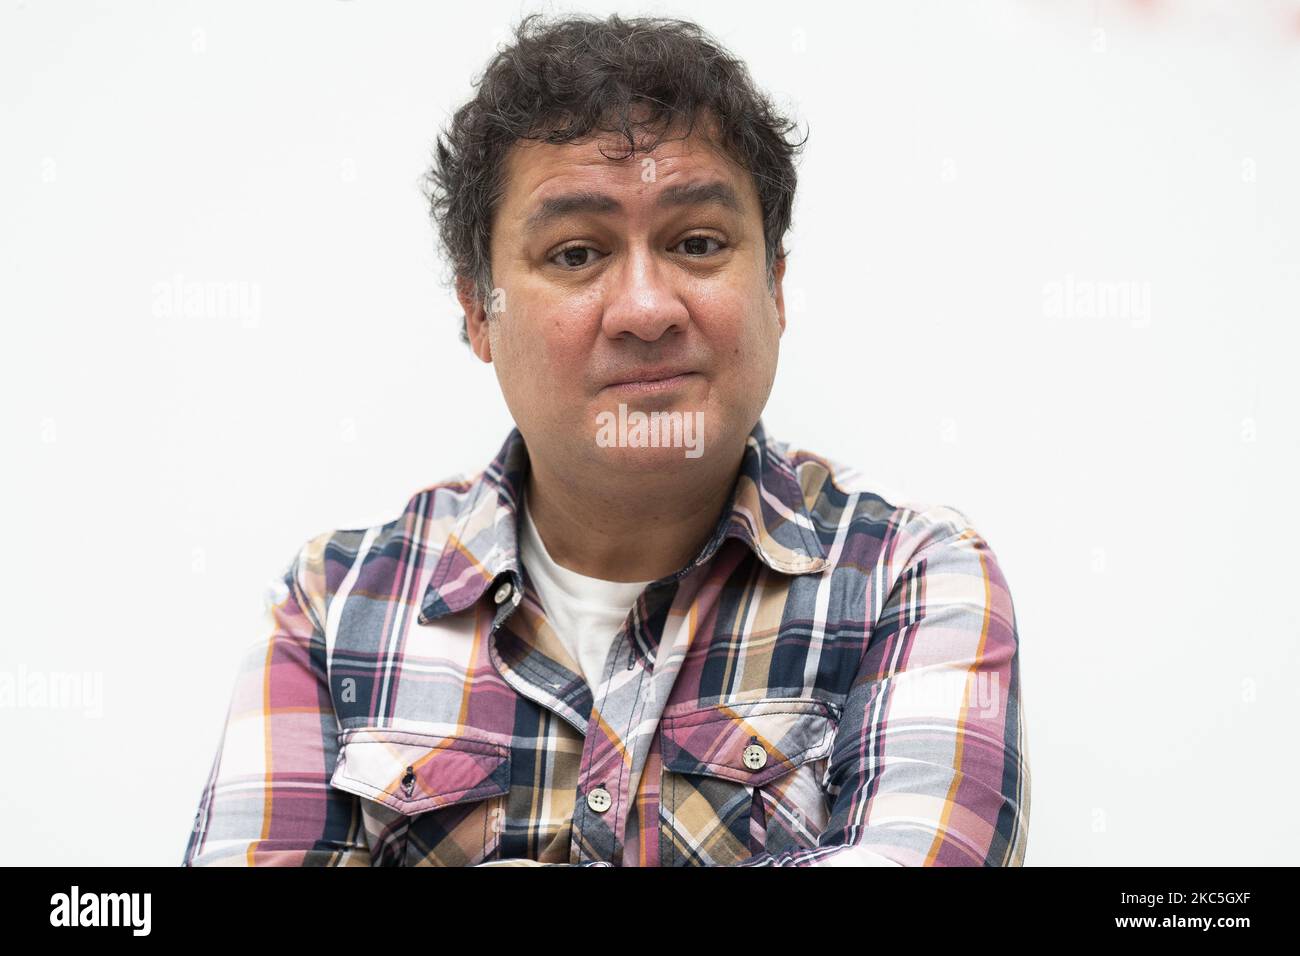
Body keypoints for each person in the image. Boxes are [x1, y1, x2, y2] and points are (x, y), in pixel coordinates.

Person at [182, 11, 1030, 867]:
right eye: (577, 254)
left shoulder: (910, 578)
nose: (645, 309)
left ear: (775, 287)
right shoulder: (334, 608)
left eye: (697, 243)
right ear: (479, 311)